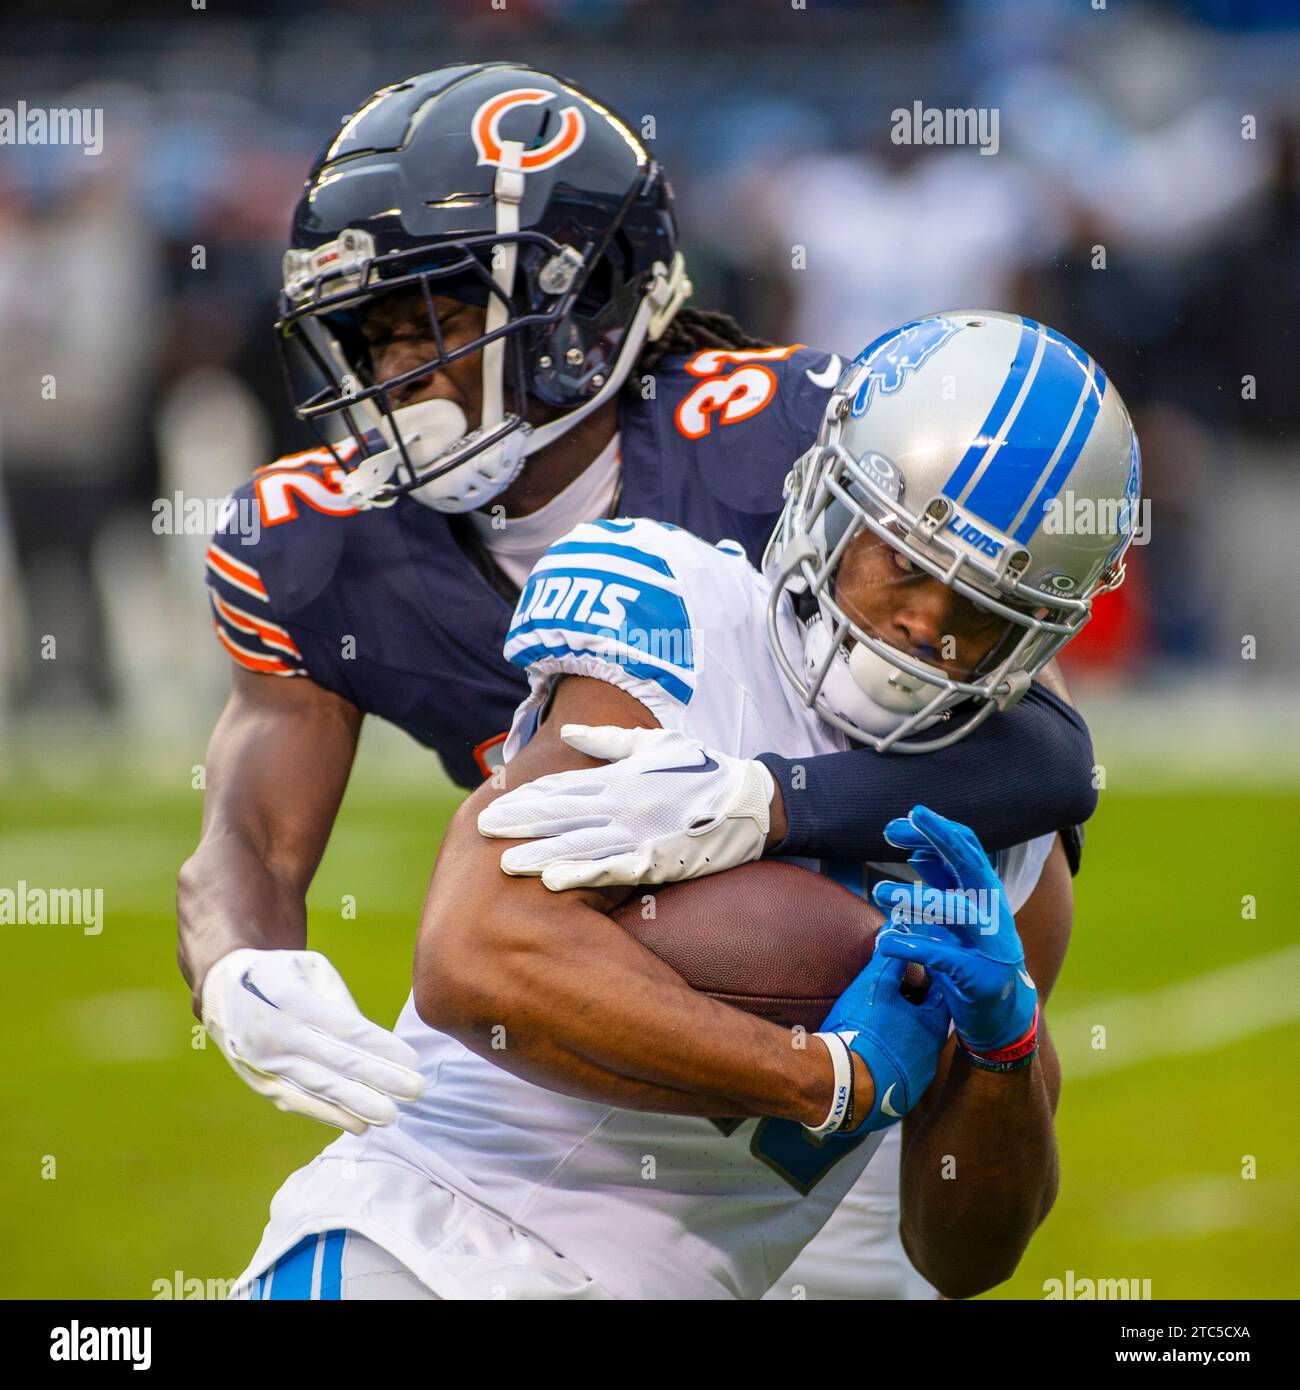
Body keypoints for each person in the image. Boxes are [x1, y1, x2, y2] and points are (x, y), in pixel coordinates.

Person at [181, 64, 1097, 1299]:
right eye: (371, 334)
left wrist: (770, 803)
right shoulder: (324, 535)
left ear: (583, 307)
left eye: (435, 321)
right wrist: (238, 965)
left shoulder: (772, 441)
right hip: (595, 1008)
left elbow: (1047, 755)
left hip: (857, 995)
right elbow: (245, 836)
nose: (394, 374)